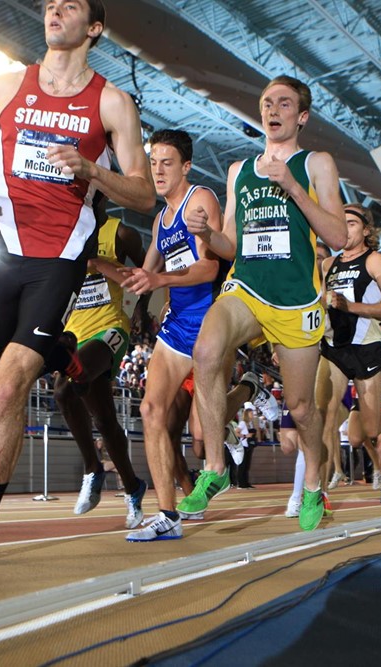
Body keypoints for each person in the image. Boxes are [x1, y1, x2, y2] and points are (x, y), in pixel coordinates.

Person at [0, 0, 156, 567]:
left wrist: (92, 171)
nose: (54, 10)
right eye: (50, 4)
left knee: (9, 389)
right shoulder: (4, 86)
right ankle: (60, 349)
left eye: (69, 5)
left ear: (94, 27)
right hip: (5, 257)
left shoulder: (111, 102)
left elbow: (145, 195)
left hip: (59, 260)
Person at [183, 75, 346, 532]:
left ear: (302, 116)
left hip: (296, 300)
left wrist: (294, 187)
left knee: (300, 407)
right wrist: (207, 236)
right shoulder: (240, 171)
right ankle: (214, 467)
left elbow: (337, 237)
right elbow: (231, 245)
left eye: (285, 103)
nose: (274, 110)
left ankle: (314, 481)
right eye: (267, 103)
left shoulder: (316, 163)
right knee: (207, 351)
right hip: (247, 287)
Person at [118, 128, 224, 542]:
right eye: (153, 162)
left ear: (186, 166)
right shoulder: (160, 218)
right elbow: (144, 273)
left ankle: (246, 392)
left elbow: (208, 268)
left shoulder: (201, 200)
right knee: (151, 411)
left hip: (213, 321)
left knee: (199, 438)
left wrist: (159, 278)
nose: (158, 171)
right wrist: (137, 304)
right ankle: (167, 514)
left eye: (167, 163)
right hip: (178, 326)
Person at [51, 210, 149, 530]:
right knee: (105, 419)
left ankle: (91, 469)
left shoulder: (121, 234)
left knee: (64, 387)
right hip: (75, 332)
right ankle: (133, 487)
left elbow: (147, 273)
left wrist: (141, 312)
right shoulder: (64, 230)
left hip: (110, 328)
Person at [316, 204, 381, 503]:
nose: (345, 228)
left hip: (366, 349)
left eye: (351, 223)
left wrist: (350, 307)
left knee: (370, 430)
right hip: (333, 349)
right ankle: (318, 492)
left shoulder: (375, 261)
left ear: (366, 230)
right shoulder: (328, 265)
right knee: (324, 415)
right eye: (340, 222)